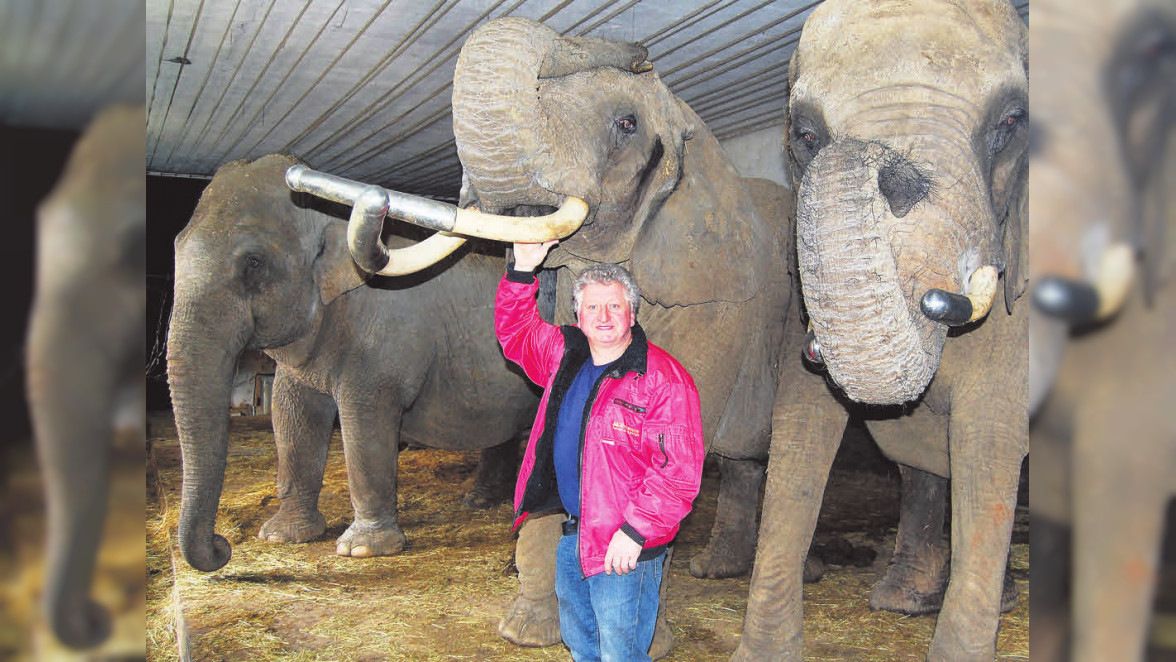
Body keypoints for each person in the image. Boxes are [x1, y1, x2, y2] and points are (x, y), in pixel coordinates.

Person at [495, 240, 705, 662]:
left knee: (619, 653)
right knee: (581, 644)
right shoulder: (565, 354)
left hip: (623, 544)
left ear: (632, 313)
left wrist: (635, 532)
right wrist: (522, 268)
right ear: (578, 314)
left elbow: (677, 471)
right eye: (592, 308)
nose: (603, 317)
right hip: (574, 534)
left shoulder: (661, 377)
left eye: (614, 307)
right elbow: (516, 332)